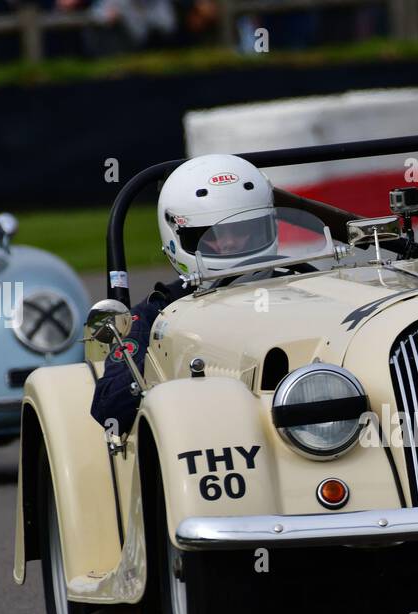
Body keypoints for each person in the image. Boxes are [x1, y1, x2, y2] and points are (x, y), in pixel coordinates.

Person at [89, 152, 279, 433]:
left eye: (243, 230)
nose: (229, 244)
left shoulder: (307, 284)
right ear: (177, 236)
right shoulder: (155, 316)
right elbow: (109, 413)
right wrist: (156, 363)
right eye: (211, 235)